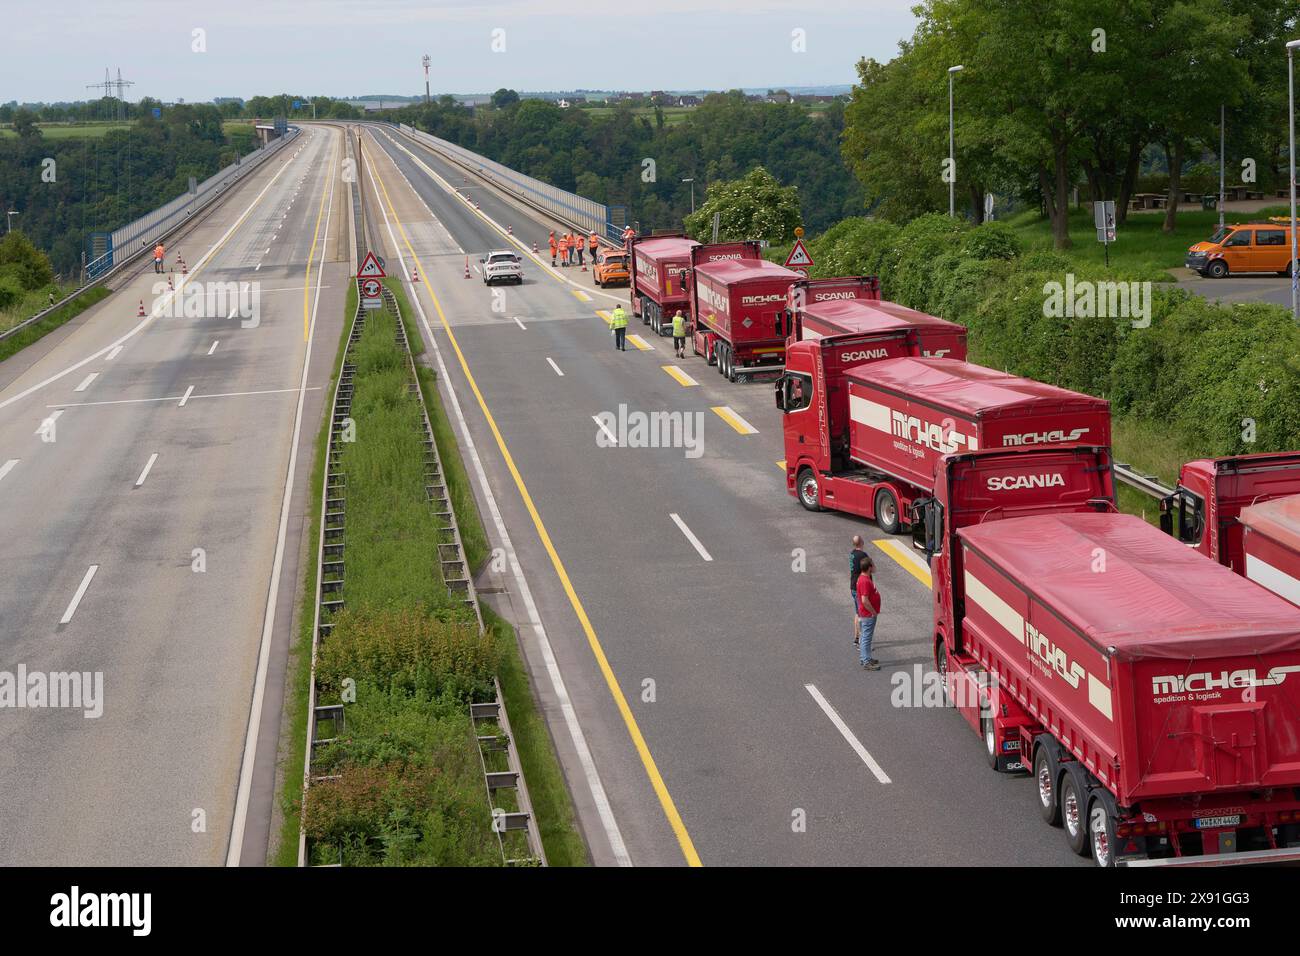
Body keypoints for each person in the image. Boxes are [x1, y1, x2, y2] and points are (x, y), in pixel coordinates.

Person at [856, 554, 882, 670]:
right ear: (869, 567)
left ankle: (865, 657)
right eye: (873, 565)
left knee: (866, 637)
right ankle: (866, 661)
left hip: (866, 614)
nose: (875, 567)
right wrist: (873, 612)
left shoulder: (863, 579)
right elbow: (864, 600)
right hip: (868, 615)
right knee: (866, 638)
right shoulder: (865, 581)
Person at [849, 535, 868, 644]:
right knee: (863, 615)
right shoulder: (862, 555)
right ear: (861, 542)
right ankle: (862, 640)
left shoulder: (852, 554)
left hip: (853, 586)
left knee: (857, 613)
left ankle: (857, 637)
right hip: (860, 587)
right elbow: (872, 568)